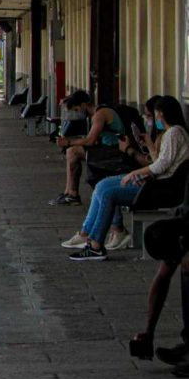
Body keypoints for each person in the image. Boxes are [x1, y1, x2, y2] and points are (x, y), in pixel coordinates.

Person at [63, 96, 189, 261]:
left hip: (160, 188)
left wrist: (134, 173)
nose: (154, 119)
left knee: (109, 193)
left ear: (163, 114)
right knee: (102, 185)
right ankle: (89, 235)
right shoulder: (171, 133)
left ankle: (95, 245)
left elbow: (161, 166)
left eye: (155, 115)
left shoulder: (174, 133)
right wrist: (149, 144)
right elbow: (159, 161)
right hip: (157, 184)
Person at [49, 90, 127, 206]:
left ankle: (72, 193)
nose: (78, 113)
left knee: (73, 151)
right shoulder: (98, 113)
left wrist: (69, 142)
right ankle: (69, 192)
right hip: (108, 147)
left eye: (77, 109)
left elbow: (90, 141)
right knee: (71, 151)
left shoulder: (99, 115)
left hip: (113, 151)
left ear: (83, 105)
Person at [129, 216, 189, 365]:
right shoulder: (178, 232)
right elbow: (162, 280)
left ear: (180, 241)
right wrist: (149, 331)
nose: (173, 262)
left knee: (187, 269)